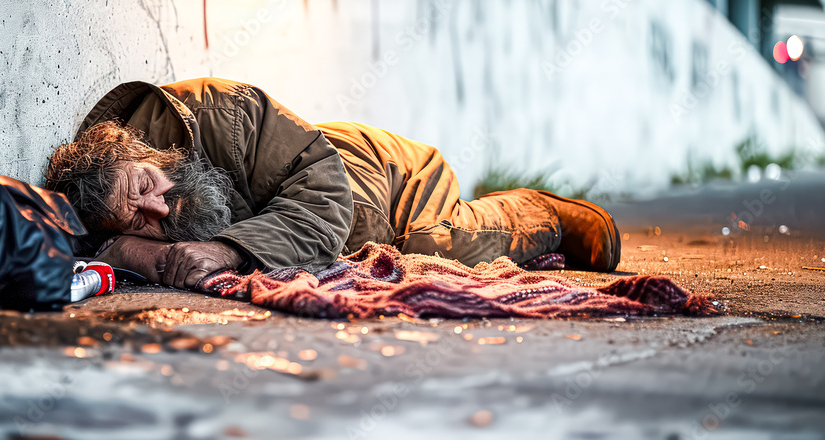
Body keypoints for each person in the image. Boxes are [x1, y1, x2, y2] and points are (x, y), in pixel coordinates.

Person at [45, 78, 620, 289]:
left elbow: (325, 198)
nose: (161, 210)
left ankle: (537, 212)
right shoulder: (113, 206)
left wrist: (227, 249)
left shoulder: (220, 112)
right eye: (138, 217)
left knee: (429, 247)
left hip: (376, 176)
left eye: (146, 183)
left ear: (143, 150)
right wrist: (123, 249)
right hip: (329, 199)